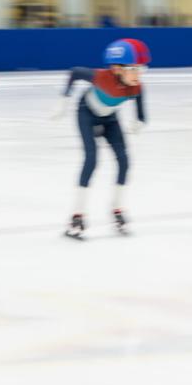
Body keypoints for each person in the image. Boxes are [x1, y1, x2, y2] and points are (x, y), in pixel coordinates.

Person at [53, 39, 148, 240]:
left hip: (110, 119)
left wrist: (139, 121)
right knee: (92, 159)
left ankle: (117, 208)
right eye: (134, 69)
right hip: (86, 113)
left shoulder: (136, 87)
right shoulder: (101, 77)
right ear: (116, 68)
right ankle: (77, 215)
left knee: (124, 161)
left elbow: (141, 111)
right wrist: (64, 100)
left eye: (141, 69)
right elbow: (75, 72)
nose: (138, 75)